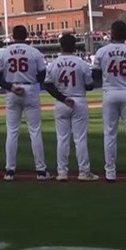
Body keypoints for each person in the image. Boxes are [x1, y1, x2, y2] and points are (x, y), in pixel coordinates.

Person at [92, 20, 126, 183]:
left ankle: (110, 172)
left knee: (109, 134)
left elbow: (95, 77)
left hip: (110, 93)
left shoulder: (101, 51)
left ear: (112, 33)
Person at [0, 25, 50, 181]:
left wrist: (11, 87)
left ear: (12, 36)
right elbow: (42, 75)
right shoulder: (34, 52)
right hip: (30, 89)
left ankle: (9, 170)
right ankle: (41, 170)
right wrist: (31, 85)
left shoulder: (5, 52)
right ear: (26, 36)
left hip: (12, 91)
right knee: (35, 131)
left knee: (12, 132)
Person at [44, 34, 98, 182]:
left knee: (62, 139)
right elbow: (90, 86)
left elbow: (47, 85)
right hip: (78, 100)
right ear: (75, 46)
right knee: (80, 139)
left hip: (62, 102)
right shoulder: (81, 63)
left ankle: (62, 172)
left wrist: (62, 98)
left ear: (60, 46)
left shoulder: (54, 63)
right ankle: (84, 172)